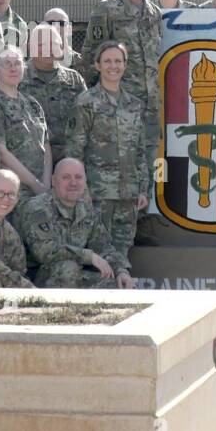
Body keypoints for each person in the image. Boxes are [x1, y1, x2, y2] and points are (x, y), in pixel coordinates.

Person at [66, 41, 150, 264]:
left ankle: (120, 294)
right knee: (98, 252)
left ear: (125, 65)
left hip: (128, 195)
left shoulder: (134, 104)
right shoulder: (86, 102)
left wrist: (142, 188)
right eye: (107, 61)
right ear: (97, 66)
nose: (113, 66)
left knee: (122, 253)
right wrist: (80, 189)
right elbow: (75, 149)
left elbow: (140, 150)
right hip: (96, 194)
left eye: (118, 61)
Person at [78, 0, 162, 171]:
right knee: (117, 167)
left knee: (150, 167)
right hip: (117, 106)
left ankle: (146, 206)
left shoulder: (155, 14)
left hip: (151, 109)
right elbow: (90, 57)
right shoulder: (106, 10)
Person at [15, 158, 135, 288]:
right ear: (54, 181)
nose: (73, 183)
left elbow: (104, 247)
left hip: (75, 276)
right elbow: (44, 251)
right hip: (36, 281)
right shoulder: (37, 208)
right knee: (67, 268)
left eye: (78, 177)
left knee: (116, 283)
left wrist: (121, 271)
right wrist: (89, 257)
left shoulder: (87, 210)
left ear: (85, 182)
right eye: (66, 177)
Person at [0, 46, 50, 207]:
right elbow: (1, 152)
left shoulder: (32, 103)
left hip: (41, 191)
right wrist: (35, 184)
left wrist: (45, 184)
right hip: (11, 192)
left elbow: (46, 145)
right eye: (6, 64)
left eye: (17, 63)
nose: (13, 68)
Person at [23, 20, 87, 165]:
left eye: (52, 44)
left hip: (70, 157)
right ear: (29, 47)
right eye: (41, 45)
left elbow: (86, 119)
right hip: (31, 159)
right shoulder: (17, 78)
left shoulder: (74, 80)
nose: (47, 49)